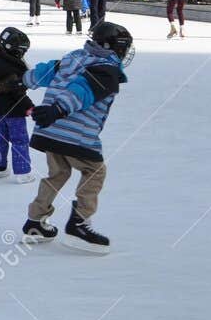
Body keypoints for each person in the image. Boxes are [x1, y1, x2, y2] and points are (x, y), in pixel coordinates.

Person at [21, 21, 135, 253]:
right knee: (95, 171)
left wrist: (21, 79)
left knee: (58, 173)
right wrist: (57, 110)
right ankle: (79, 224)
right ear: (113, 47)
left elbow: (44, 72)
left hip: (51, 130)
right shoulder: (107, 71)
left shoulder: (74, 57)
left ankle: (35, 222)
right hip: (75, 134)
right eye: (123, 47)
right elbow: (81, 92)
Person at [0, 27, 34, 182]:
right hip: (15, 112)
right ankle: (22, 172)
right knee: (19, 139)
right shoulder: (15, 66)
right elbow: (17, 93)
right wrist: (29, 106)